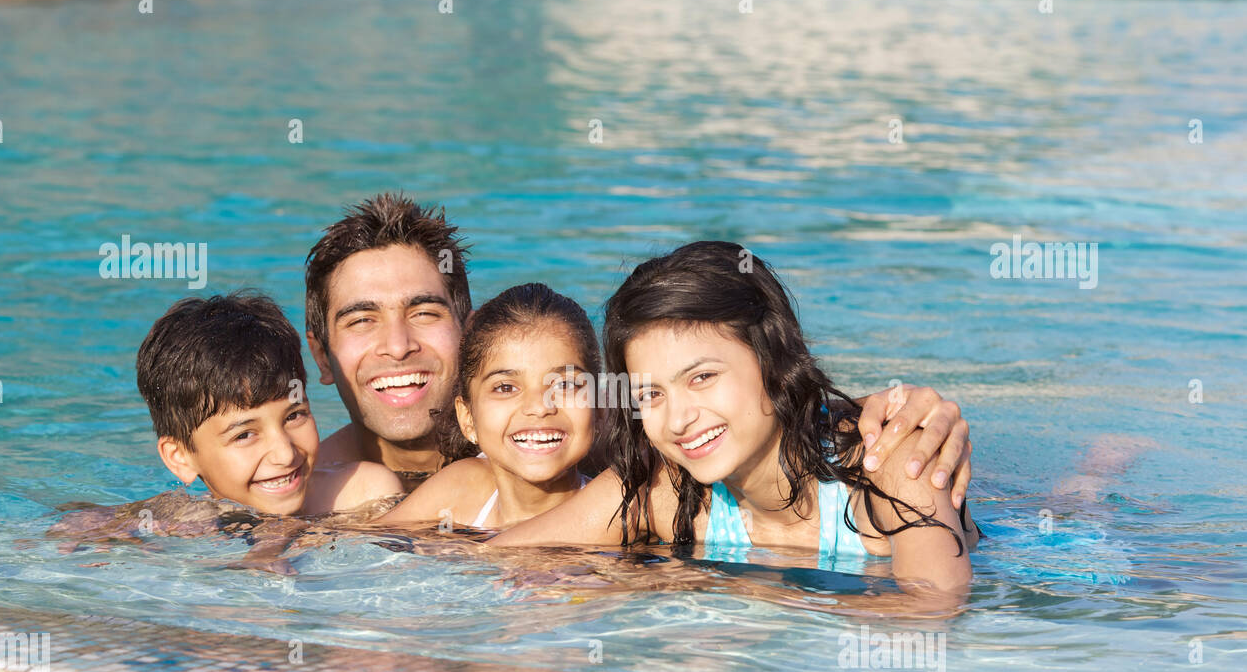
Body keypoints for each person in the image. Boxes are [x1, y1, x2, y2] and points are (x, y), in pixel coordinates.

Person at [303, 194, 975, 503]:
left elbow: (741, 408)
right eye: (361, 321)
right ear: (322, 354)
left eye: (423, 312)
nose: (398, 346)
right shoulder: (308, 488)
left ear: (469, 325)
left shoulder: (582, 431)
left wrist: (891, 413)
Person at [490, 242, 977, 600]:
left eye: (702, 377)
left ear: (772, 360)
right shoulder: (669, 493)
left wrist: (749, 591)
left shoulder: (891, 462)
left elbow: (932, 611)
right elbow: (500, 559)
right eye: (650, 393)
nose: (679, 419)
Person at [51, 293, 403, 549]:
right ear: (180, 458)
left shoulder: (363, 493)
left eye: (294, 416)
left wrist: (282, 536)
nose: (284, 453)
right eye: (245, 435)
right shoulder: (188, 514)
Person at [378, 283, 599, 529]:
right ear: (468, 419)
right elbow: (368, 546)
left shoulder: (617, 516)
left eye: (564, 385)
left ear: (599, 406)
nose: (539, 406)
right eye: (505, 388)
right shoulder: (462, 489)